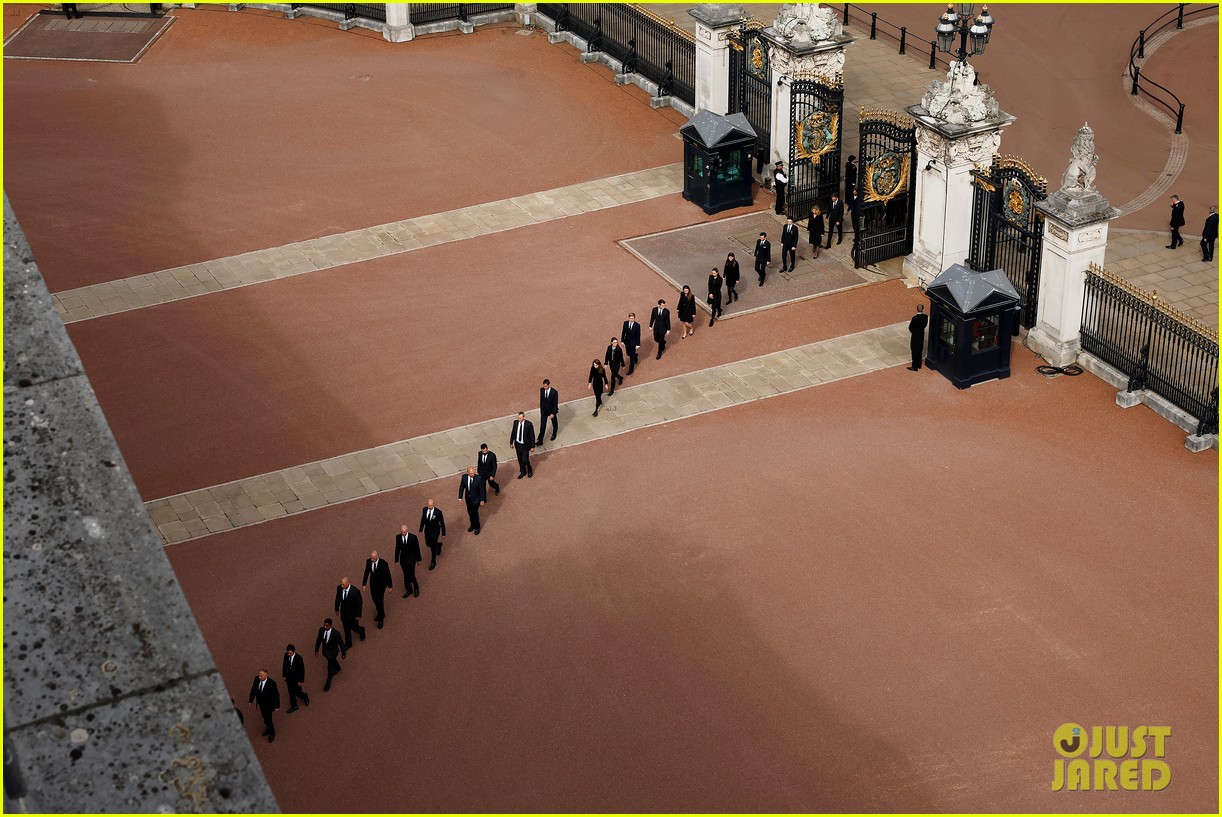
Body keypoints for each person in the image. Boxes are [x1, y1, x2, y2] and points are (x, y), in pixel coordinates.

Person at [362, 549, 392, 628]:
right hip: (373, 584)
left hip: (381, 585)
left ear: (377, 556)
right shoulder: (368, 562)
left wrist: (390, 586)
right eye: (371, 558)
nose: (372, 560)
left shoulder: (384, 564)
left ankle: (381, 618)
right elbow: (366, 572)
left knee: (380, 601)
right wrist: (364, 584)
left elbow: (388, 575)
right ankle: (380, 613)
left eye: (373, 558)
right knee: (375, 599)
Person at [313, 618, 346, 692]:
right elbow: (319, 640)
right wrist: (316, 649)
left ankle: (327, 684)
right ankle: (338, 668)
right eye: (324, 625)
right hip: (325, 652)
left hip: (333, 652)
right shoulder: (321, 630)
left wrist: (343, 653)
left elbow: (341, 644)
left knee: (330, 668)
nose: (325, 627)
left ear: (330, 625)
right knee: (332, 660)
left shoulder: (336, 633)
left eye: (326, 626)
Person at [248, 670, 280, 743]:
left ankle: (272, 732)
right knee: (264, 716)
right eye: (259, 675)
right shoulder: (256, 679)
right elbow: (253, 689)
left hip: (269, 705)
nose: (259, 677)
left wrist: (277, 706)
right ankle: (268, 728)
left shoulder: (272, 684)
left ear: (266, 676)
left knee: (268, 719)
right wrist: (251, 700)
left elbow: (276, 695)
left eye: (261, 676)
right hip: (261, 704)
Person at [333, 576, 365, 648]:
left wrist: (358, 615)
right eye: (341, 584)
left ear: (348, 583)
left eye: (343, 584)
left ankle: (361, 631)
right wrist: (337, 609)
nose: (342, 585)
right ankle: (348, 643)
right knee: (346, 629)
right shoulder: (339, 588)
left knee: (354, 628)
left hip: (352, 615)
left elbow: (359, 604)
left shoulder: (355, 591)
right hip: (344, 614)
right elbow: (337, 599)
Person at [394, 524, 422, 598]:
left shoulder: (413, 537)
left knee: (411, 575)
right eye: (402, 532)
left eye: (404, 532)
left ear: (407, 531)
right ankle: (409, 590)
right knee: (405, 575)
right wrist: (396, 560)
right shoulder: (398, 537)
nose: (403, 534)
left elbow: (417, 549)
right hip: (403, 560)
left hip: (412, 559)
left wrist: (419, 559)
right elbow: (397, 549)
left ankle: (416, 587)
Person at [458, 465, 487, 535]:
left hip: (476, 499)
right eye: (471, 473)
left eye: (473, 473)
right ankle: (472, 525)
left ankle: (477, 527)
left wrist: (482, 500)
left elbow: (482, 490)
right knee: (470, 512)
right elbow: (461, 487)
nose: (472, 474)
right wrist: (460, 498)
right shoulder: (464, 477)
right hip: (468, 499)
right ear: (468, 472)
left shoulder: (479, 479)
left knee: (475, 513)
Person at [419, 499, 447, 569]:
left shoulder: (438, 512)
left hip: (435, 532)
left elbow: (442, 523)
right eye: (428, 505)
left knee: (433, 548)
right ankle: (439, 545)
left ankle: (433, 561)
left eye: (431, 505)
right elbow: (423, 520)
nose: (430, 507)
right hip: (427, 531)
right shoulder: (424, 510)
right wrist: (420, 530)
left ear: (433, 505)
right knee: (428, 544)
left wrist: (443, 533)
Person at [282, 645, 308, 714]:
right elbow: (284, 665)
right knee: (291, 693)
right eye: (288, 653)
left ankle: (304, 695)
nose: (289, 654)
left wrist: (301, 681)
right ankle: (294, 706)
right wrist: (284, 675)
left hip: (296, 679)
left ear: (294, 651)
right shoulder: (286, 655)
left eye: (290, 653)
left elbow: (302, 670)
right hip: (289, 678)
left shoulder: (299, 658)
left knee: (298, 692)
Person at [510, 412, 535, 478]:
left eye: (520, 418)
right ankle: (523, 472)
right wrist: (511, 442)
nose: (519, 419)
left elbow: (532, 436)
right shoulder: (515, 423)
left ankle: (529, 469)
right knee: (520, 459)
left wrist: (532, 446)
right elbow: (513, 432)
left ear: (523, 417)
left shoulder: (529, 424)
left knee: (525, 459)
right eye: (518, 418)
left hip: (525, 445)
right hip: (518, 445)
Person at [537, 379, 559, 444]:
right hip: (544, 411)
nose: (544, 388)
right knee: (542, 425)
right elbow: (541, 400)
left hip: (551, 411)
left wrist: (553, 413)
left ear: (549, 385)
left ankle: (554, 434)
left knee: (554, 423)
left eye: (546, 386)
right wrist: (541, 409)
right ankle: (540, 440)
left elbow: (555, 403)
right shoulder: (542, 390)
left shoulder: (554, 392)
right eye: (544, 386)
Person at [908, 304, 929, 371]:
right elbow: (925, 325)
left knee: (914, 350)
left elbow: (910, 327)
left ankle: (914, 366)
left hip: (915, 335)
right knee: (920, 349)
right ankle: (919, 364)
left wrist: (913, 331)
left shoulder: (914, 318)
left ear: (917, 309)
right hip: (921, 334)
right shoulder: (925, 317)